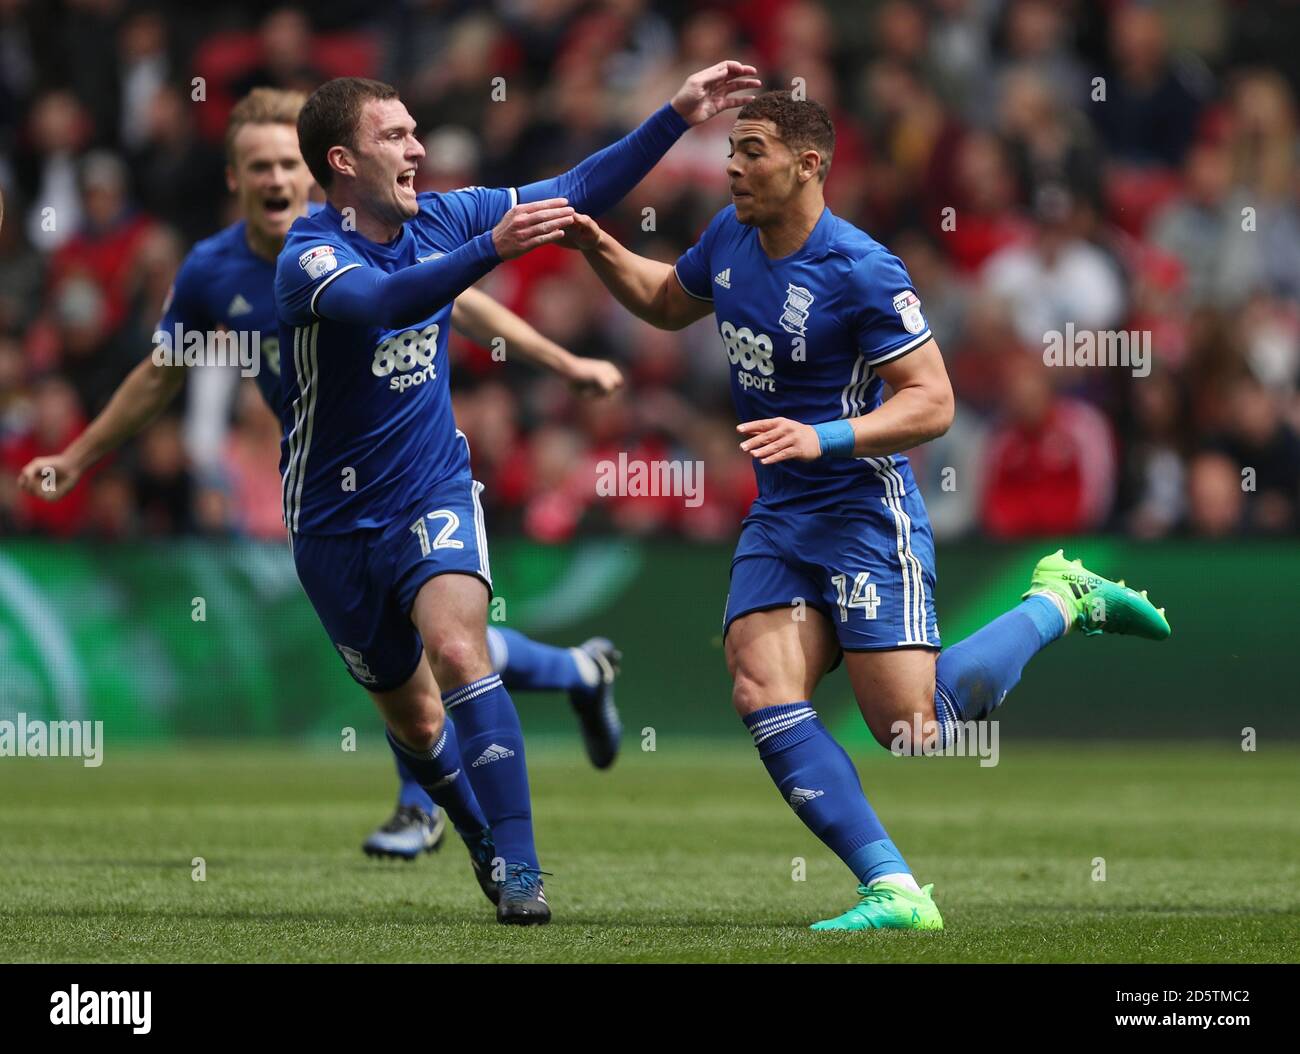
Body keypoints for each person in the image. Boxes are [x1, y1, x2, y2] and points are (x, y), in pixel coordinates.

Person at [556, 90, 1170, 930]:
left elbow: (934, 401)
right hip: (781, 514)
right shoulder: (730, 238)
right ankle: (894, 888)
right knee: (758, 682)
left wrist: (826, 438)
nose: (732, 165)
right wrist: (597, 245)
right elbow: (668, 301)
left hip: (860, 511)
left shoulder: (861, 267)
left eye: (754, 149)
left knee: (912, 728)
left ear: (810, 164)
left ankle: (1061, 599)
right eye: (731, 148)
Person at [15, 88, 628, 868]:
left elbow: (459, 305)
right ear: (236, 180)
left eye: (284, 163)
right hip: (323, 491)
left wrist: (562, 361)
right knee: (418, 657)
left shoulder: (378, 236)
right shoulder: (216, 272)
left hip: (414, 472)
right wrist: (76, 456)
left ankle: (434, 810)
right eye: (257, 166)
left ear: (313, 173)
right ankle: (577, 671)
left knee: (450, 641)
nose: (276, 178)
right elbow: (161, 374)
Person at [274, 64, 760, 923]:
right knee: (416, 721)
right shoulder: (309, 255)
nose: (418, 147)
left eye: (416, 130)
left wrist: (675, 116)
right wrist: (489, 251)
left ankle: (525, 874)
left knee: (461, 652)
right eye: (396, 136)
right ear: (343, 162)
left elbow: (574, 189)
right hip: (332, 522)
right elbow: (386, 304)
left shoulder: (446, 214)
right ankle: (480, 839)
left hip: (432, 486)